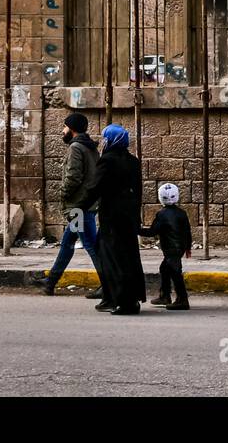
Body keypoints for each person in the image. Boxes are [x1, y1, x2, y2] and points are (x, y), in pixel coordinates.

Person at [34, 113, 104, 296]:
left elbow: (73, 177)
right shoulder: (90, 148)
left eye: (64, 126)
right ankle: (51, 281)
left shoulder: (76, 148)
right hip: (82, 207)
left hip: (80, 208)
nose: (62, 130)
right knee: (67, 243)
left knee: (90, 244)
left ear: (72, 129)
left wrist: (63, 194)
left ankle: (108, 284)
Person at [83, 124, 147, 315]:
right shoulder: (133, 161)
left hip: (112, 219)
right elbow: (138, 193)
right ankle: (116, 298)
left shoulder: (107, 161)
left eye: (106, 138)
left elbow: (95, 188)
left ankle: (122, 301)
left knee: (112, 259)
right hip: (129, 219)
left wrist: (80, 206)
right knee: (129, 257)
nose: (104, 142)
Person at [140, 182, 192, 310]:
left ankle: (182, 300)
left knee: (175, 273)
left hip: (170, 249)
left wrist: (136, 230)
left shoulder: (161, 214)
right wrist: (188, 247)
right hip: (179, 248)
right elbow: (187, 231)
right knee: (164, 269)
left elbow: (152, 232)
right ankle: (165, 296)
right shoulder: (182, 213)